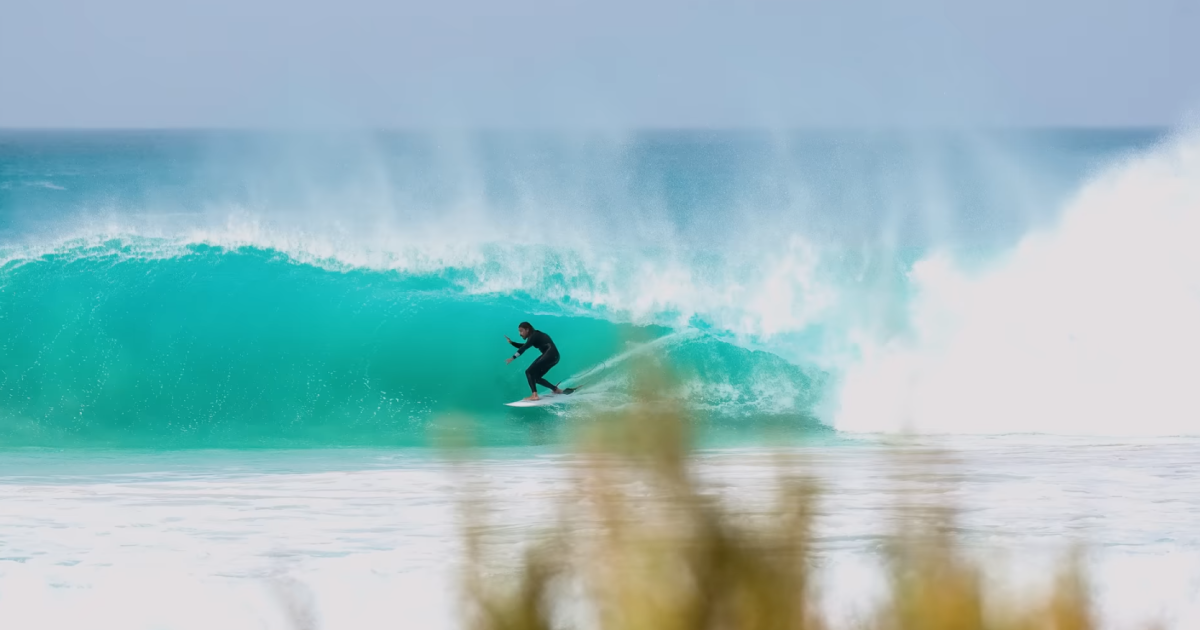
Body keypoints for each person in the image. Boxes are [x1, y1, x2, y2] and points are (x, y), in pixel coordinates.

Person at [506, 322, 564, 401]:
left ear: (527, 330)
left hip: (550, 354)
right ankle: (555, 389)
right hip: (554, 357)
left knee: (529, 372)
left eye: (521, 331)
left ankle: (534, 395)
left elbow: (524, 348)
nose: (520, 334)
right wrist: (512, 342)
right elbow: (523, 346)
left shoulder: (534, 335)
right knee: (536, 378)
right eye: (519, 331)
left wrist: (513, 357)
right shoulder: (534, 337)